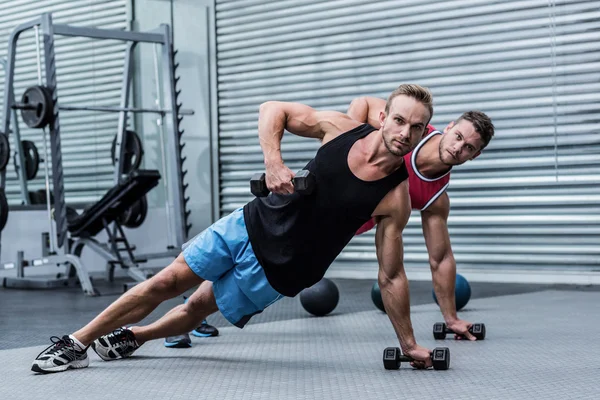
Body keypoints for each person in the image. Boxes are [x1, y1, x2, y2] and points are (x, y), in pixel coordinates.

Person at [32, 83, 435, 373]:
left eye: (416, 128)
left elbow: (391, 275)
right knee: (166, 281)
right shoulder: (340, 128)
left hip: (285, 269)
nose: (404, 133)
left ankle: (137, 336)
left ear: (423, 133)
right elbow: (271, 108)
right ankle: (77, 342)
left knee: (196, 308)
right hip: (251, 223)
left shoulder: (394, 198)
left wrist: (409, 344)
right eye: (399, 120)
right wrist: (274, 162)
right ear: (384, 116)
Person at [348, 96, 495, 339]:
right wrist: (341, 150)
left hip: (354, 220)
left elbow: (441, 258)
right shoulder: (413, 129)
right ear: (448, 128)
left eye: (469, 147)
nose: (458, 148)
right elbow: (362, 104)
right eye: (458, 137)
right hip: (330, 191)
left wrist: (451, 319)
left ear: (474, 156)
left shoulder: (435, 198)